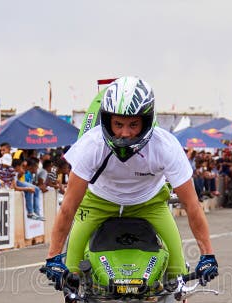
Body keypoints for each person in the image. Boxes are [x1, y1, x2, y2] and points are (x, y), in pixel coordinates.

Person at [42, 76, 218, 289]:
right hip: (97, 203)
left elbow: (192, 205)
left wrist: (207, 255)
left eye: (133, 124)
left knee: (178, 274)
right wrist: (53, 258)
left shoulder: (166, 147)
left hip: (149, 204)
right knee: (69, 274)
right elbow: (68, 207)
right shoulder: (91, 145)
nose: (125, 133)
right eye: (118, 124)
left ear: (146, 120)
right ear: (107, 121)